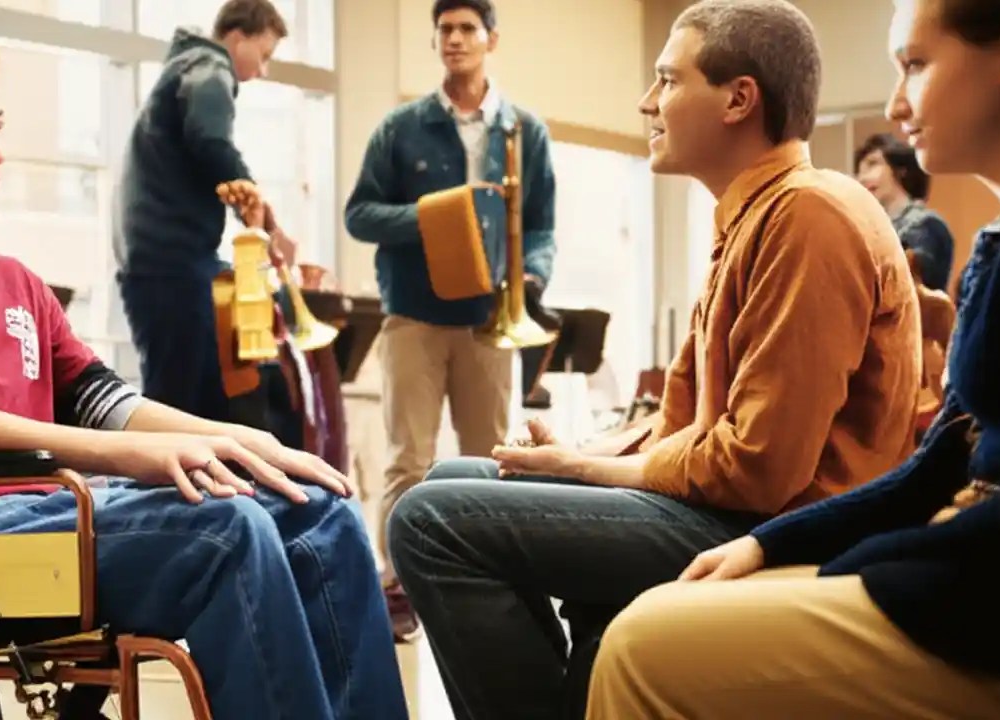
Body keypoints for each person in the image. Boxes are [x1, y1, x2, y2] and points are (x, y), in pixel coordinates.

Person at [0, 28, 407, 720]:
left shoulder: (16, 282)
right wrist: (125, 455)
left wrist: (243, 442)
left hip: (48, 512)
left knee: (321, 512)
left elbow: (107, 402)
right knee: (226, 531)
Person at [386, 1, 924, 718]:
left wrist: (583, 470)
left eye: (668, 80)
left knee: (428, 521)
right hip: (733, 507)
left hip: (773, 528)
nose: (647, 101)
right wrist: (582, 453)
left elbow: (759, 469)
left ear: (738, 99)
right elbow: (688, 423)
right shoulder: (760, 211)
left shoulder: (809, 216)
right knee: (451, 476)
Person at [587, 0, 1000, 717]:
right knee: (643, 613)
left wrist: (855, 566)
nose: (895, 104)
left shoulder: (807, 213)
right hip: (967, 563)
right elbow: (940, 464)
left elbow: (764, 462)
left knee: (636, 643)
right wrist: (768, 547)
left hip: (996, 603)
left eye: (916, 66)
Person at [344, 0, 557, 640]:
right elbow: (360, 214)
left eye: (468, 29)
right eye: (445, 30)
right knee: (407, 459)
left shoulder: (525, 129)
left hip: (491, 321)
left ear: (492, 39)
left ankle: (487, 583)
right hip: (413, 317)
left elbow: (541, 226)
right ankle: (397, 588)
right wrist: (436, 217)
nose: (455, 39)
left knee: (492, 460)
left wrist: (533, 274)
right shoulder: (399, 127)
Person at [114, 0, 297, 424]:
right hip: (172, 260)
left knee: (189, 392)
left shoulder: (182, 67)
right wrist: (264, 219)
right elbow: (210, 140)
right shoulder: (209, 66)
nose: (262, 70)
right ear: (237, 37)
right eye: (263, 55)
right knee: (182, 404)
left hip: (157, 257)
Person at [856, 131, 956, 290]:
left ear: (901, 169)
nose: (862, 178)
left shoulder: (926, 224)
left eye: (872, 164)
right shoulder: (870, 229)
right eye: (859, 172)